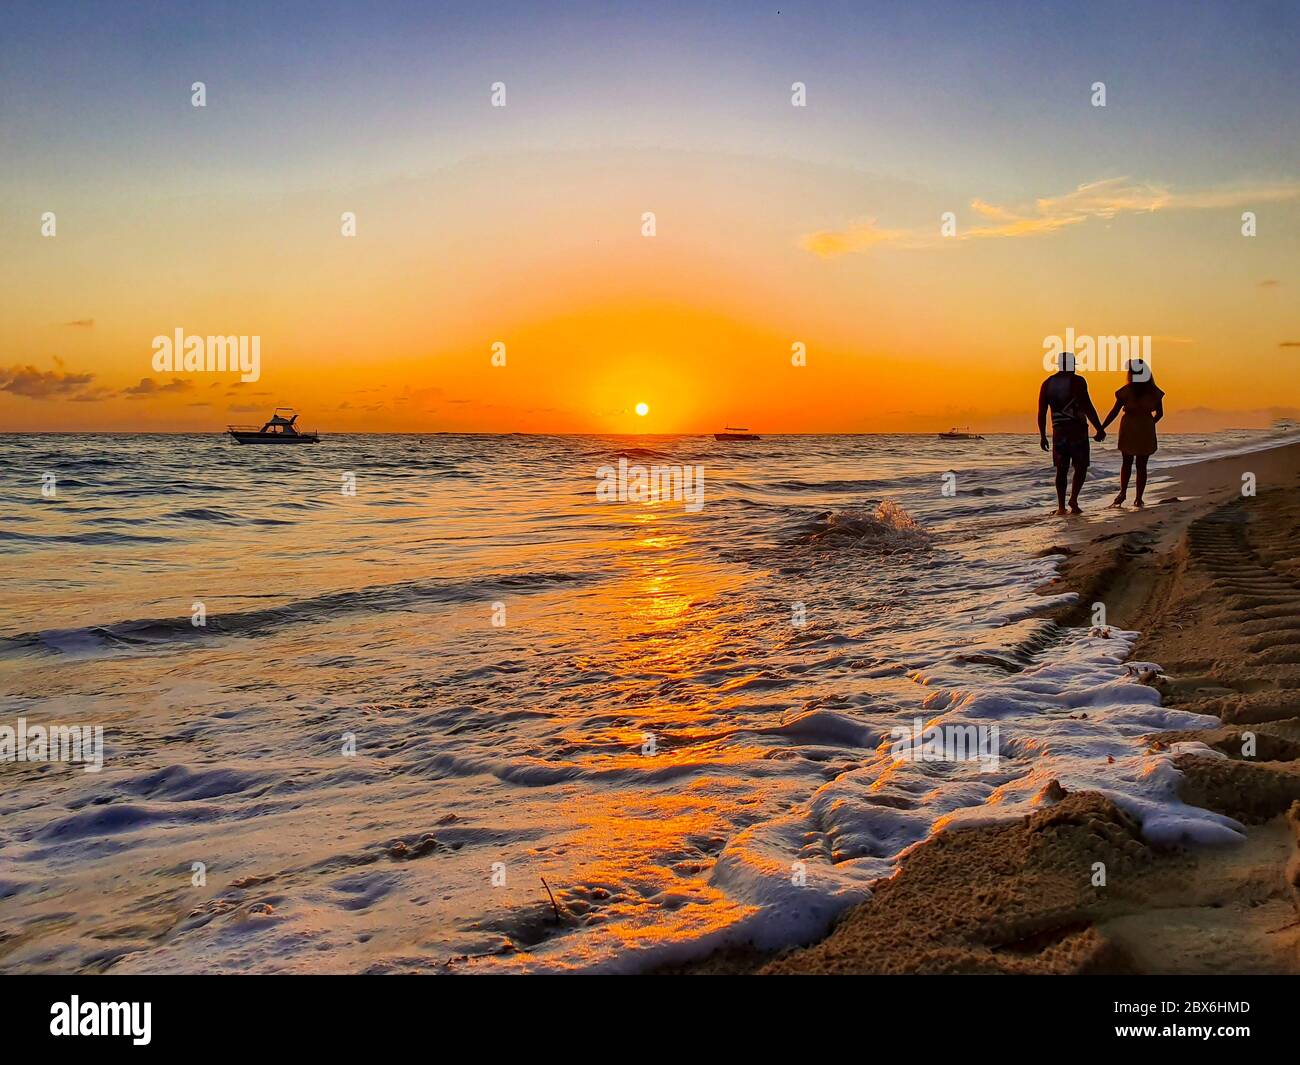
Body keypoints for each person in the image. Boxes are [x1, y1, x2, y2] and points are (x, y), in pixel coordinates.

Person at [1038, 352, 1106, 515]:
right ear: (1071, 365)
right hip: (1078, 431)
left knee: (1061, 469)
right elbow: (1087, 406)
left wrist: (1042, 435)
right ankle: (1073, 499)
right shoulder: (1078, 382)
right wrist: (1099, 428)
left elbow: (1041, 412)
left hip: (1059, 433)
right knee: (1080, 467)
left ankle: (1061, 506)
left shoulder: (1047, 384)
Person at [1099, 359, 1164, 508]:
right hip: (1146, 426)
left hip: (1129, 426)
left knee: (1126, 463)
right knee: (1142, 465)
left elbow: (1114, 412)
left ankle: (1122, 493)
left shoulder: (1127, 391)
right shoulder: (1154, 392)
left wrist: (1102, 427)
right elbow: (1160, 414)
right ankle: (1139, 498)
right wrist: (1149, 423)